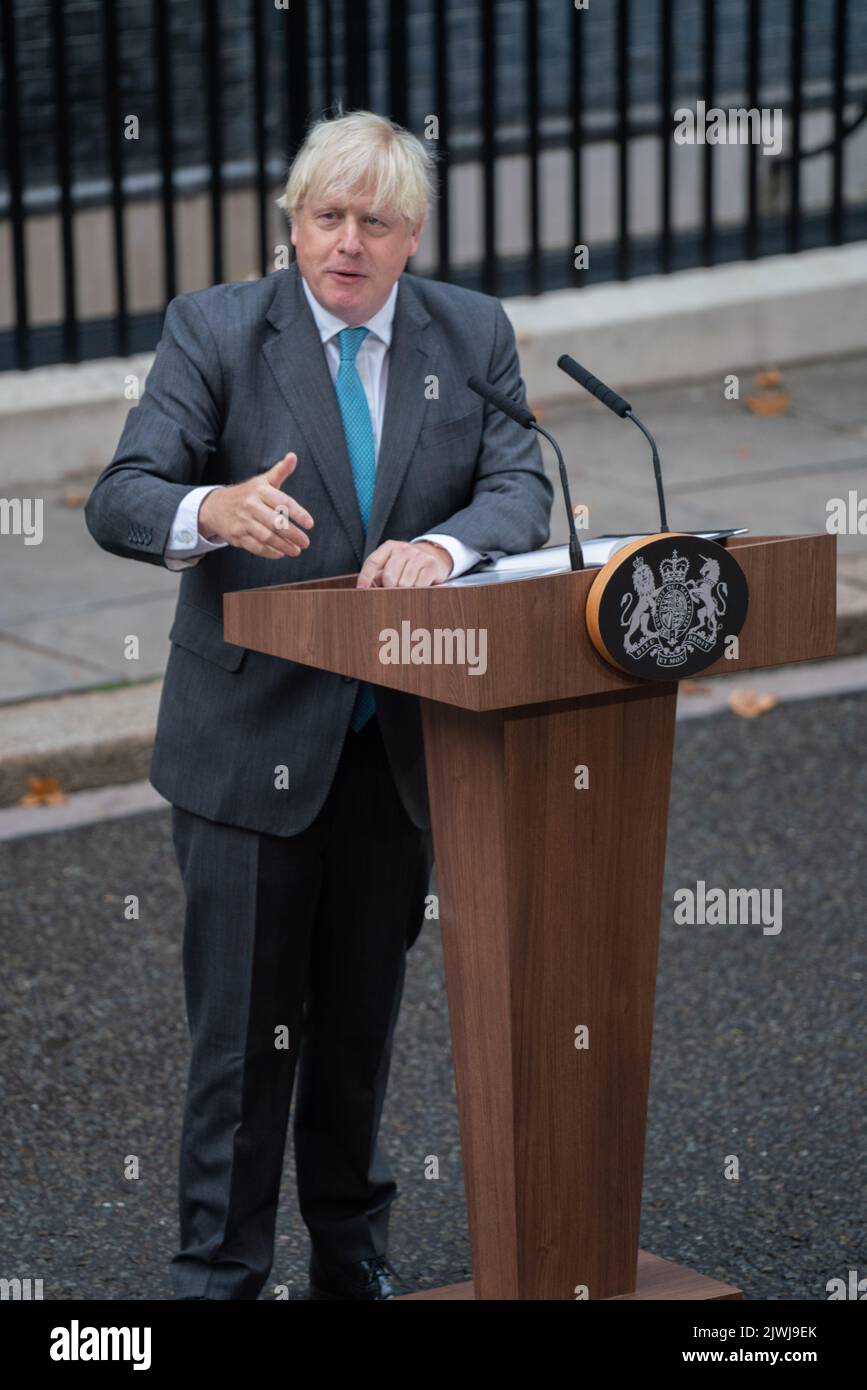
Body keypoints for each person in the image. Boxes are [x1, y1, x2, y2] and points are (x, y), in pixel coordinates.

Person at [84, 109, 553, 1301]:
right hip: (247, 751)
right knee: (241, 1045)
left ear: (412, 238)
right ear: (293, 223)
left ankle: (355, 1262)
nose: (346, 241)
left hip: (393, 753)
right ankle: (217, 1278)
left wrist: (447, 548)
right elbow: (122, 494)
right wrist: (212, 512)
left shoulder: (472, 331)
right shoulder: (219, 331)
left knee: (356, 1032)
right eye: (325, 216)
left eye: (374, 221)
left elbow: (518, 487)